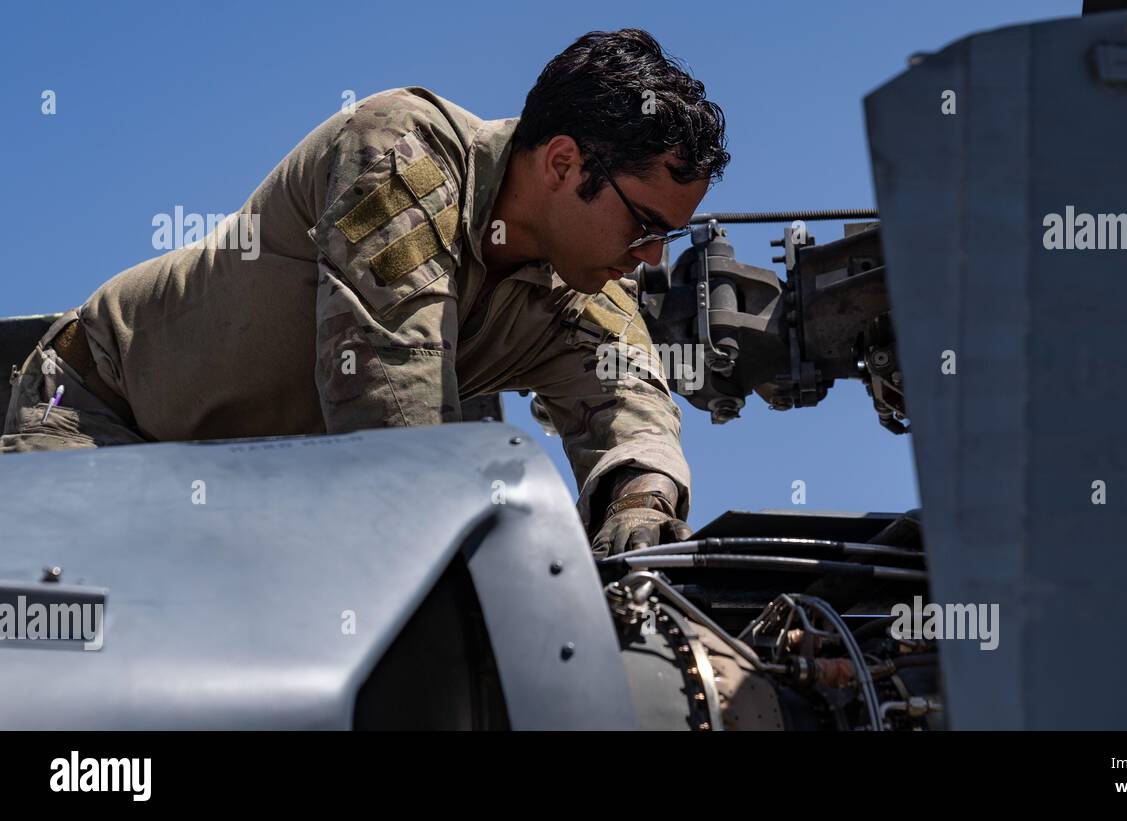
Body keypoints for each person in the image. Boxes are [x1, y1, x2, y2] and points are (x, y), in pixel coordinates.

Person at [0, 28, 730, 556]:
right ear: (564, 164)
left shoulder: (584, 285)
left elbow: (629, 403)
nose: (651, 256)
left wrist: (642, 501)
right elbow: (392, 405)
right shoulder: (405, 154)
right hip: (95, 415)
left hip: (236, 501)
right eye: (644, 224)